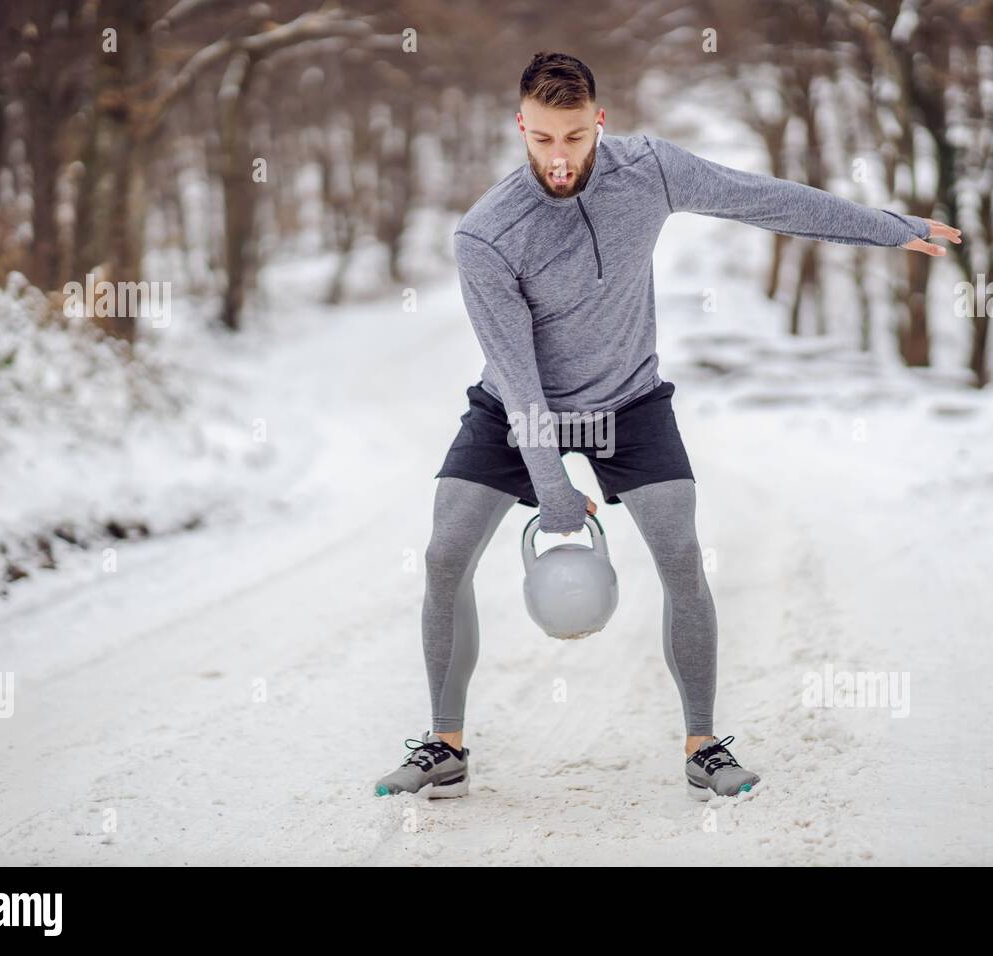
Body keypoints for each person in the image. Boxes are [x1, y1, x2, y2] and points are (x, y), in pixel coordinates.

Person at [375, 51, 961, 801]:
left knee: (682, 555)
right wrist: (551, 486)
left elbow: (760, 199)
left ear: (601, 123)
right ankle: (444, 745)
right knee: (443, 555)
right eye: (545, 138)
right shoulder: (486, 235)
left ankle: (703, 744)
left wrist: (884, 228)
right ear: (521, 125)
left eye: (576, 137)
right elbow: (518, 380)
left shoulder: (648, 169)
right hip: (517, 411)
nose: (561, 157)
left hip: (628, 402)